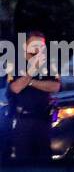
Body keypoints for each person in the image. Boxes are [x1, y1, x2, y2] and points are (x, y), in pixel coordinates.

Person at [5, 32, 61, 162]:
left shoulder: (49, 64)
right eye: (34, 44)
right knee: (23, 160)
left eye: (41, 45)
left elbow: (55, 87)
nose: (38, 49)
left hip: (43, 120)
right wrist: (32, 69)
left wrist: (30, 82)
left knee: (44, 160)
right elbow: (15, 88)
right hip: (23, 120)